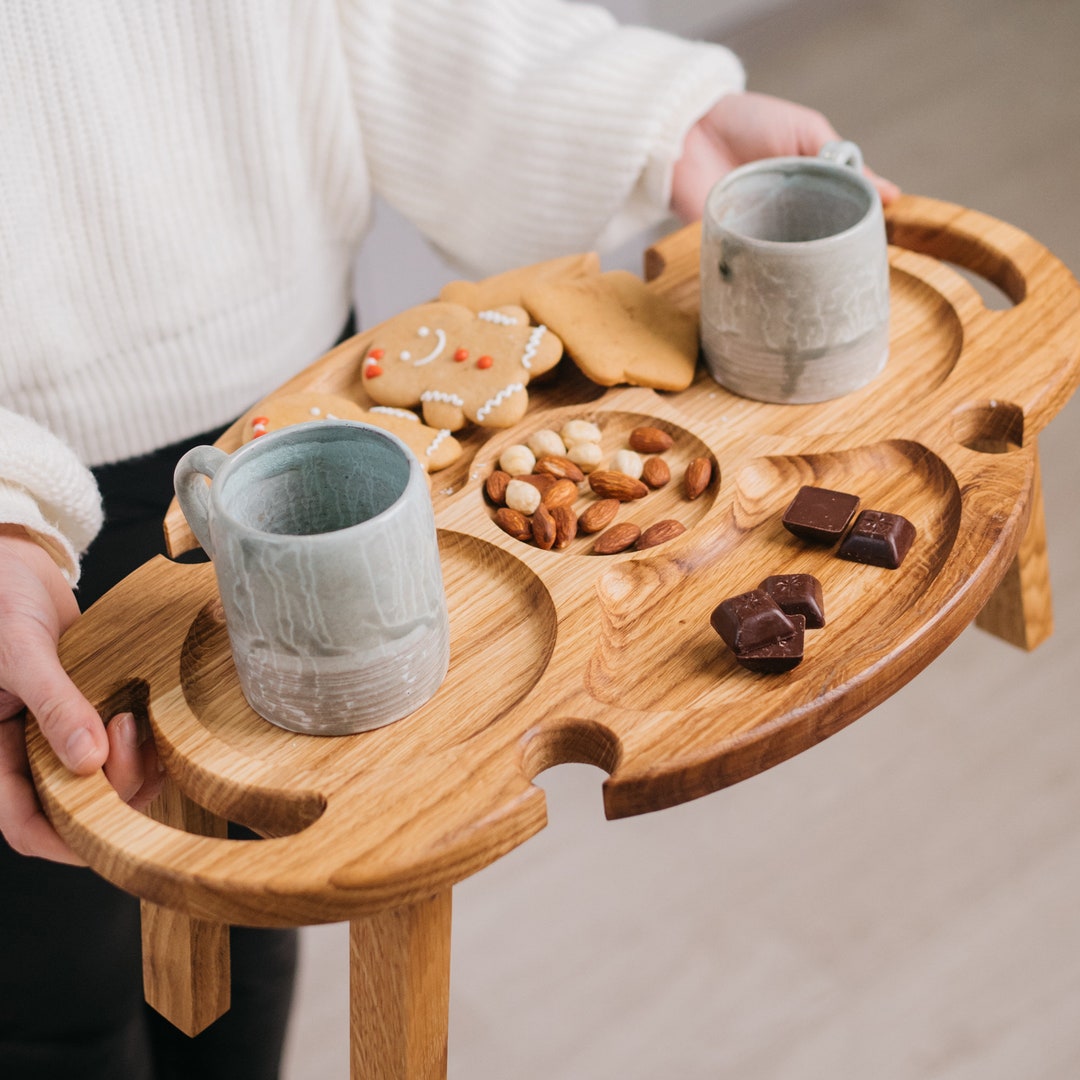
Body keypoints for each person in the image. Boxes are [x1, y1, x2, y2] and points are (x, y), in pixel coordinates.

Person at [0, 1, 899, 1076]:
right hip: (24, 537)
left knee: (247, 919)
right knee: (51, 989)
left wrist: (650, 114)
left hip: (303, 402)